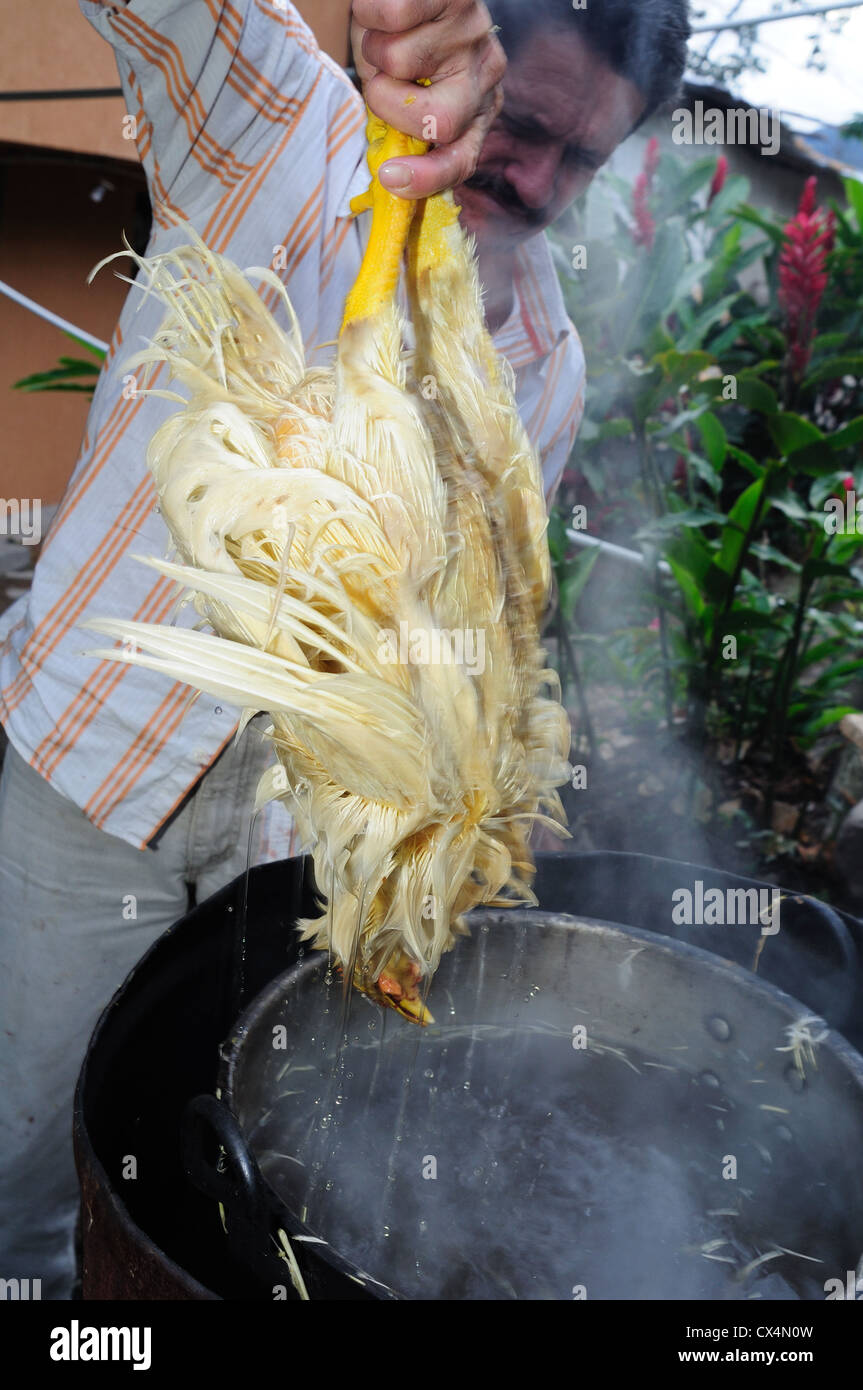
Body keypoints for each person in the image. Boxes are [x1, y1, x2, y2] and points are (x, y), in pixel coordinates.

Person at [0, 0, 690, 1299]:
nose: (538, 180)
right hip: (95, 766)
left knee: (216, 1167)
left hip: (292, 855)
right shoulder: (280, 127)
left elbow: (472, 641)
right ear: (465, 60)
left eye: (581, 160)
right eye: (528, 125)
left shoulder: (544, 361)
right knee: (18, 1179)